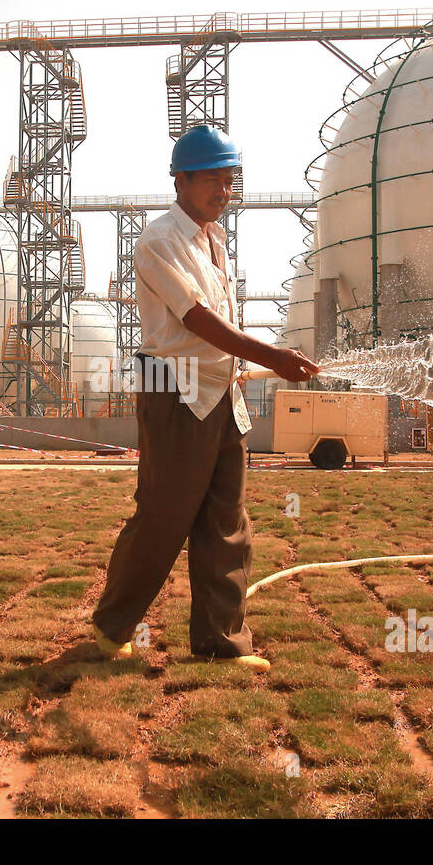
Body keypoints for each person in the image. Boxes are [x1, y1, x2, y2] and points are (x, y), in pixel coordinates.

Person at [90, 125, 320, 672]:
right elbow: (194, 318)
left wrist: (250, 365)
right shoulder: (159, 240)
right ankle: (111, 626)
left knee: (227, 518)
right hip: (174, 390)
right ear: (181, 179)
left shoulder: (212, 239)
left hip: (220, 390)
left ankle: (221, 640)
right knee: (166, 516)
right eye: (213, 180)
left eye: (230, 180)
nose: (223, 190)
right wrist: (274, 358)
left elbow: (216, 325)